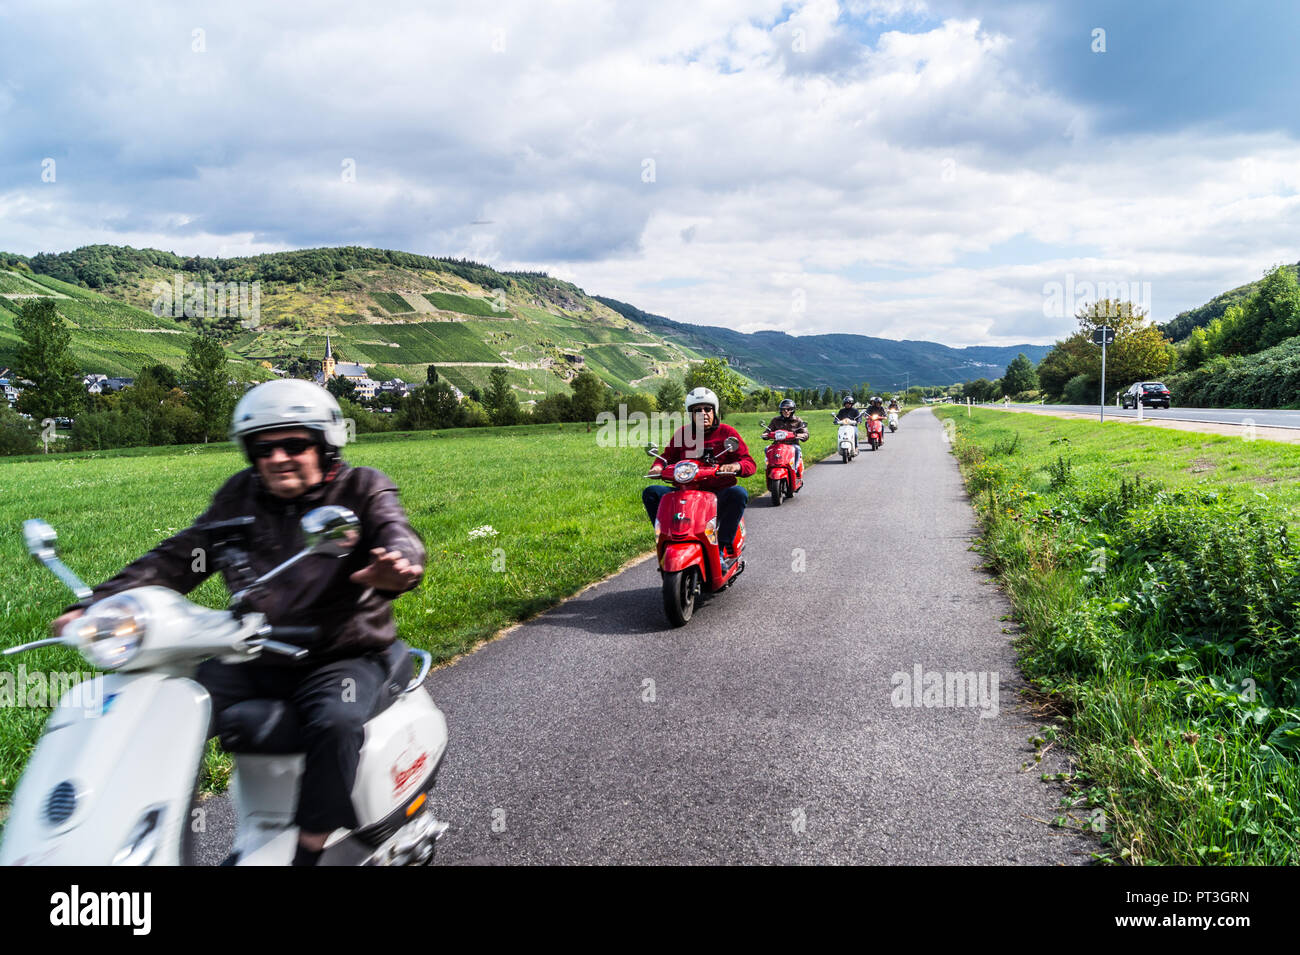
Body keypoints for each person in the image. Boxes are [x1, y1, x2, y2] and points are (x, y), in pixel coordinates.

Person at [49, 379, 426, 866]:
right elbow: (181, 557)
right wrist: (98, 603)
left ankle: (310, 847)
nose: (278, 457)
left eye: (295, 444)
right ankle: (134, 838)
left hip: (341, 652)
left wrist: (397, 566)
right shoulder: (238, 499)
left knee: (336, 721)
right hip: (254, 650)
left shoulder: (362, 487)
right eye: (263, 448)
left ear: (326, 444)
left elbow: (399, 534)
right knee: (161, 705)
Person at [642, 387, 756, 562]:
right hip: (685, 493)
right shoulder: (682, 434)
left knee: (738, 493)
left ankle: (721, 548)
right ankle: (666, 538)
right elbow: (665, 457)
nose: (703, 413)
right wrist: (658, 466)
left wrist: (735, 466)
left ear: (714, 410)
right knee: (651, 493)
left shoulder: (727, 433)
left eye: (707, 409)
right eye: (697, 410)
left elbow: (749, 463)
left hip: (717, 494)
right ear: (691, 414)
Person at [764, 398, 809, 479]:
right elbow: (768, 430)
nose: (786, 411)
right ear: (780, 410)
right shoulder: (775, 420)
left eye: (789, 409)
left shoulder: (798, 420)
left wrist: (802, 435)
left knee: (797, 449)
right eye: (783, 409)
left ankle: (794, 470)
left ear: (793, 410)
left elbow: (805, 433)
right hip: (777, 445)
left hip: (792, 444)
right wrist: (765, 434)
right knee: (767, 449)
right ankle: (769, 467)